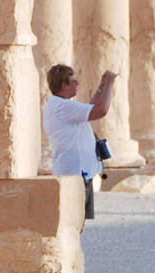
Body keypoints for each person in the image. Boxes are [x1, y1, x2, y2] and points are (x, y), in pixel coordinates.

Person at [43, 64, 118, 221]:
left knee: (78, 221)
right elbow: (101, 110)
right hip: (75, 173)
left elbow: (91, 108)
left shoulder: (61, 105)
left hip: (79, 172)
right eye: (74, 81)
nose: (77, 84)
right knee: (74, 221)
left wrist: (102, 86)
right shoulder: (63, 106)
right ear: (63, 85)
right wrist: (110, 84)